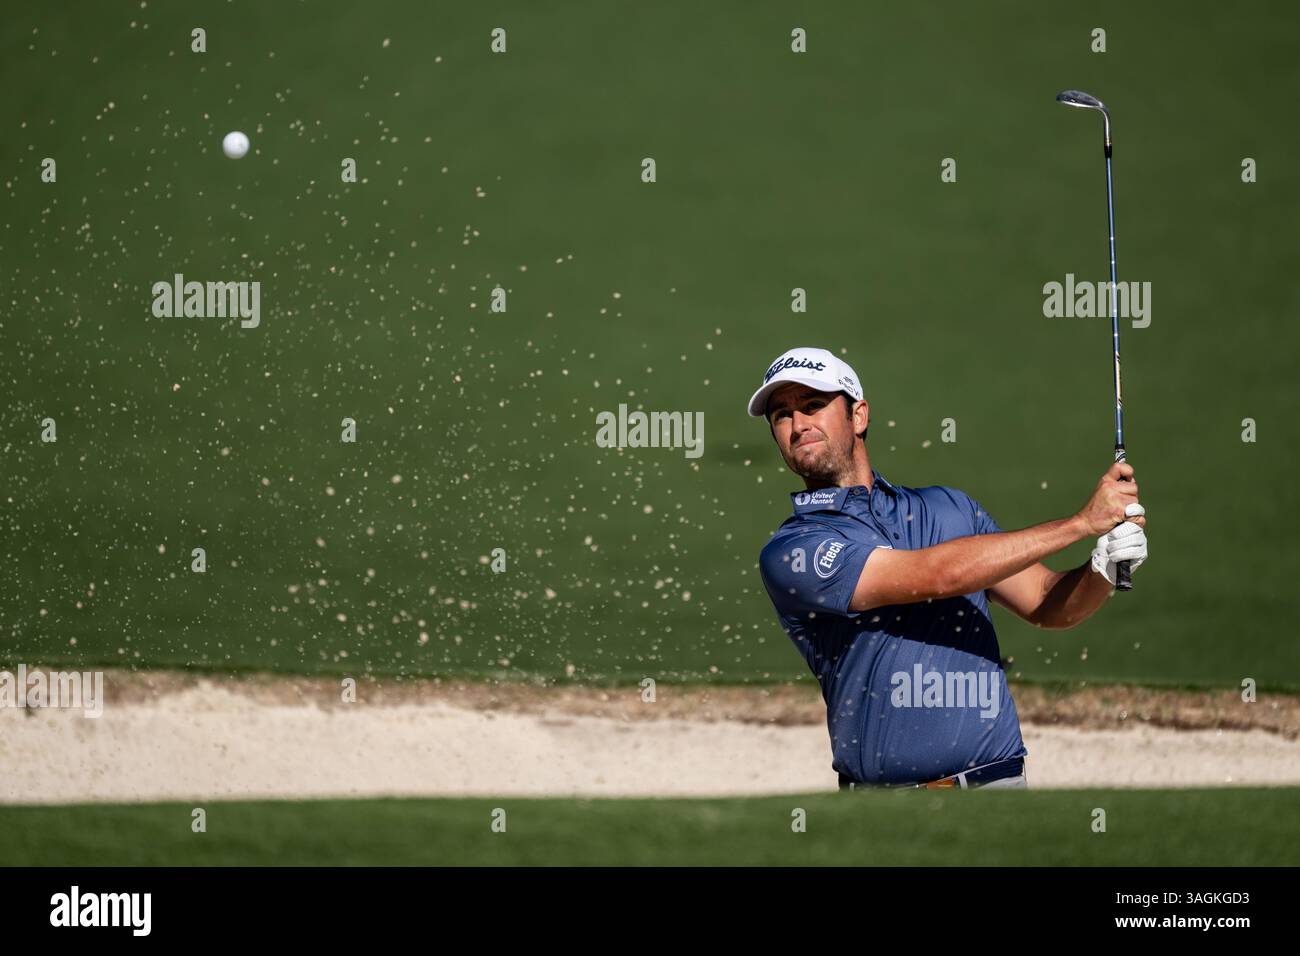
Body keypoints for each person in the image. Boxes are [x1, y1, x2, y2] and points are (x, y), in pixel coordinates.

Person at [749, 347, 1148, 789]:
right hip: (884, 809)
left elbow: (1047, 605)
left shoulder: (950, 509)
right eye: (781, 415)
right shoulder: (793, 551)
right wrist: (1080, 523)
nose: (798, 424)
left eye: (813, 405)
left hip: (997, 787)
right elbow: (937, 576)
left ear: (858, 416)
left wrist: (1101, 570)